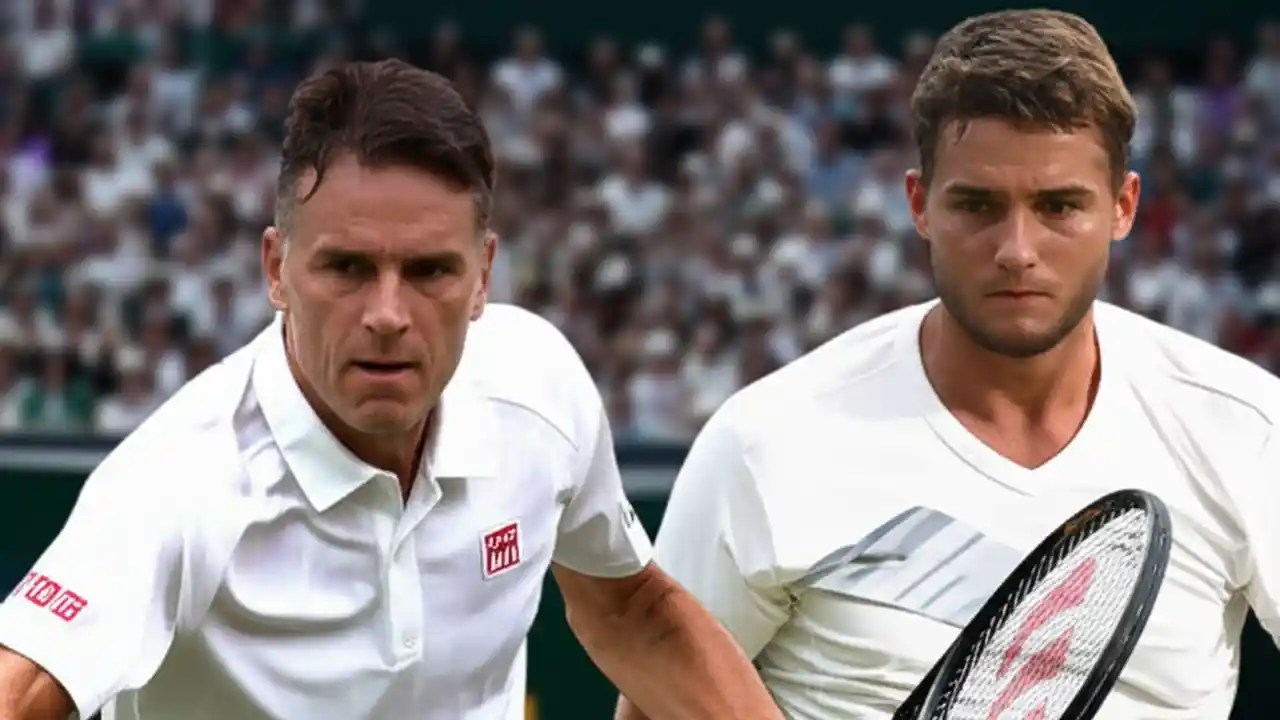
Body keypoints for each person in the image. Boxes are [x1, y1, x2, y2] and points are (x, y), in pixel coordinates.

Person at [0, 60, 782, 720]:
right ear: (276, 269)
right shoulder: (175, 482)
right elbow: (24, 687)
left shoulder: (539, 385)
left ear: (483, 276)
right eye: (345, 268)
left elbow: (632, 612)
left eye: (430, 271)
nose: (386, 314)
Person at [618, 9, 1279, 720]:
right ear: (919, 205)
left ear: (1123, 207)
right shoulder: (764, 444)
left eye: (1060, 206)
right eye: (978, 205)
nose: (1018, 249)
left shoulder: (1245, 427)